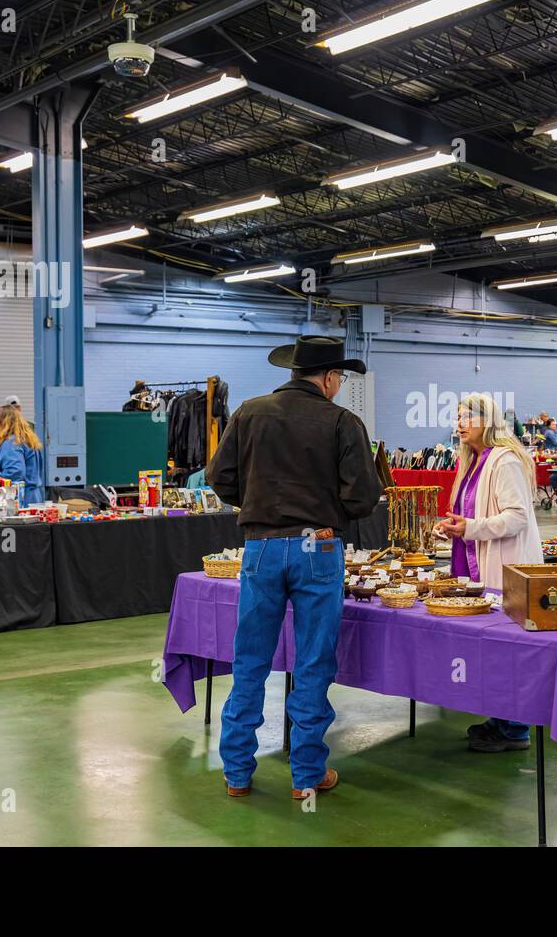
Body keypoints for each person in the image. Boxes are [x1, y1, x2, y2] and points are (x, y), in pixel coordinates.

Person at [207, 335, 381, 800]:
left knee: (250, 660)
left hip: (261, 547)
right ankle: (306, 775)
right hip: (318, 549)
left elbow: (218, 478)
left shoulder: (248, 411)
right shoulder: (343, 421)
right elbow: (364, 496)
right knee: (313, 661)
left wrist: (260, 502)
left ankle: (237, 773)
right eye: (340, 378)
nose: (340, 385)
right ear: (327, 378)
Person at [436, 393, 543, 752]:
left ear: (489, 421)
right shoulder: (475, 461)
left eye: (469, 416)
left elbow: (516, 517)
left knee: (507, 647)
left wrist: (470, 527)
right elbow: (472, 514)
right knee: (494, 649)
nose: (460, 423)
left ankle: (515, 728)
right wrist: (453, 526)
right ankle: (503, 719)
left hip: (505, 567)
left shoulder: (504, 461)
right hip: (480, 567)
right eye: (458, 417)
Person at [0, 405, 45, 504]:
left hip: (19, 500)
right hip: (33, 497)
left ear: (2, 424)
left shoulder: (11, 443)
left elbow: (15, 471)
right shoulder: (27, 440)